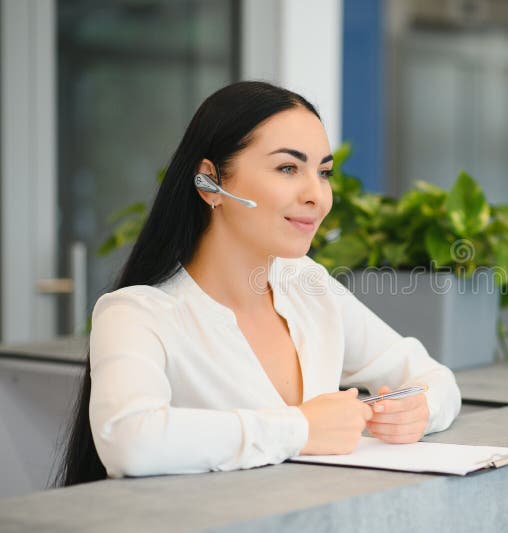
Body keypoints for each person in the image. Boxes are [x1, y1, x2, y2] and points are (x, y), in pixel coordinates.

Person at [54, 81, 461, 485]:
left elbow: (435, 379)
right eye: (288, 168)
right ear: (209, 183)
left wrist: (419, 410)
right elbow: (129, 442)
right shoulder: (136, 315)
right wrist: (300, 429)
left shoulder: (307, 286)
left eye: (323, 172)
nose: (317, 196)